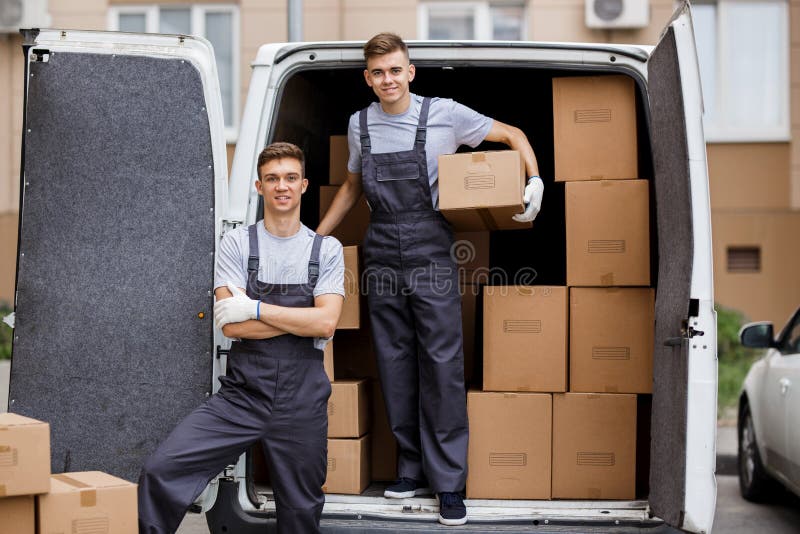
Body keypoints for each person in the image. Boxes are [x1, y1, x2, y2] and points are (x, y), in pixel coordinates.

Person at [316, 33, 543, 527]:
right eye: (378, 73)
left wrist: (534, 180)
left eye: (395, 70)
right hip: (380, 251)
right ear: (367, 78)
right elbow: (354, 185)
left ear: (410, 71)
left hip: (430, 250)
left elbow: (513, 135)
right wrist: (316, 237)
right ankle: (410, 468)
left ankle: (448, 484)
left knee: (442, 365)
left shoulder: (445, 113)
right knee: (395, 362)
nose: (388, 80)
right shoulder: (360, 124)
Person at [138, 142, 345, 534]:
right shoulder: (237, 244)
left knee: (301, 510)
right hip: (243, 395)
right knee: (161, 470)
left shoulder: (327, 250)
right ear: (259, 186)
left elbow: (326, 324)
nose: (280, 186)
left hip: (302, 400)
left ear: (303, 185)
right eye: (271, 179)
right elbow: (231, 327)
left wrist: (255, 309)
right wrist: (297, 317)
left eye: (289, 178)